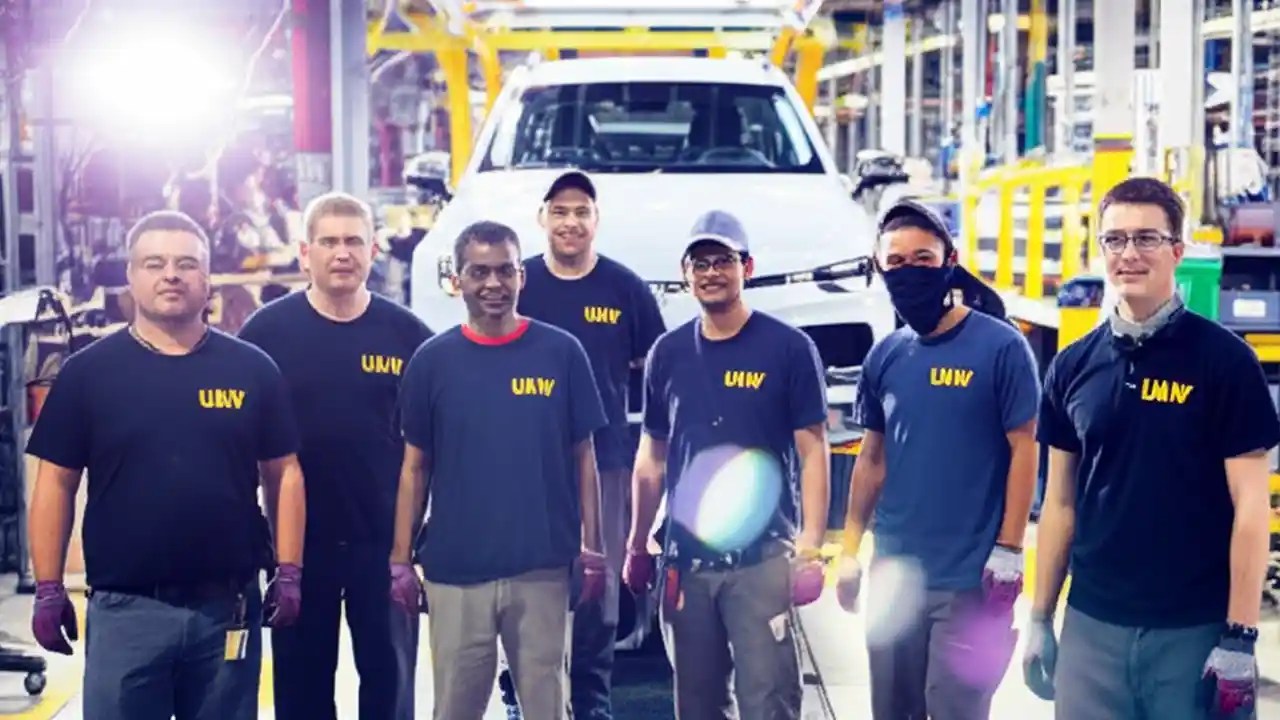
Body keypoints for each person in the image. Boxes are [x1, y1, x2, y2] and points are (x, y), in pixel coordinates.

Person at [26, 210, 306, 720]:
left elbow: (283, 472)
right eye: (154, 263)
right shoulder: (88, 374)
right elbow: (56, 481)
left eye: (186, 263)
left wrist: (289, 571)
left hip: (227, 610)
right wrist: (48, 585)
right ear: (131, 277)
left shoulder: (252, 370)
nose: (171, 274)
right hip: (126, 612)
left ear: (208, 278)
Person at [1022, 177, 1280, 718]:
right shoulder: (1072, 366)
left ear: (1178, 251)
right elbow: (1060, 505)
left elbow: (1252, 508)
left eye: (1147, 238)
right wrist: (1041, 617)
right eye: (1115, 240)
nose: (1129, 253)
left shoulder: (1226, 363)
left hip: (1193, 630)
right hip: (1093, 627)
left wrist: (1239, 634)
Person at [391, 220, 609, 720]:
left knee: (546, 705)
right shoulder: (432, 361)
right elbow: (414, 467)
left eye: (505, 270)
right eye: (479, 272)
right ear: (458, 279)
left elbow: (584, 458)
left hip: (542, 569)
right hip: (456, 572)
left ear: (521, 276)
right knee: (455, 707)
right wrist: (399, 558)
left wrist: (592, 549)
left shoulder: (561, 353)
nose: (494, 283)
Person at [834, 198, 1040, 719]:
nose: (908, 273)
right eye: (895, 262)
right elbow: (871, 460)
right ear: (879, 267)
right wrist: (851, 551)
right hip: (894, 576)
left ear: (951, 260)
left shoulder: (1002, 347)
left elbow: (1024, 449)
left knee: (954, 710)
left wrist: (1010, 549)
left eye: (922, 259)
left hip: (969, 580)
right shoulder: (885, 355)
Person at [622, 210, 830, 720]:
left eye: (723, 261)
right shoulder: (667, 354)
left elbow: (813, 451)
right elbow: (652, 457)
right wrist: (637, 541)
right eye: (700, 263)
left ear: (747, 268)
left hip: (761, 562)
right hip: (686, 565)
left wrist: (810, 547)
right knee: (697, 705)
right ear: (685, 272)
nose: (711, 272)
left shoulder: (788, 349)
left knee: (769, 699)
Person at [238, 192, 431, 720]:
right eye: (328, 241)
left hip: (385, 548)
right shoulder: (264, 336)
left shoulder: (409, 337)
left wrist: (418, 541)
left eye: (353, 241)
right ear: (305, 253)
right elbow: (235, 440)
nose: (341, 253)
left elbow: (433, 443)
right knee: (300, 691)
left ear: (374, 251)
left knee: (390, 691)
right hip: (298, 550)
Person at [515, 170, 666, 719]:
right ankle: (527, 694)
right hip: (528, 463)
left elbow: (653, 368)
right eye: (560, 211)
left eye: (582, 211)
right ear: (542, 218)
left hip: (606, 460)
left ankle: (591, 699)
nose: (571, 221)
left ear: (596, 221)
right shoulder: (519, 282)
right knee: (531, 585)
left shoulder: (624, 288)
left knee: (597, 594)